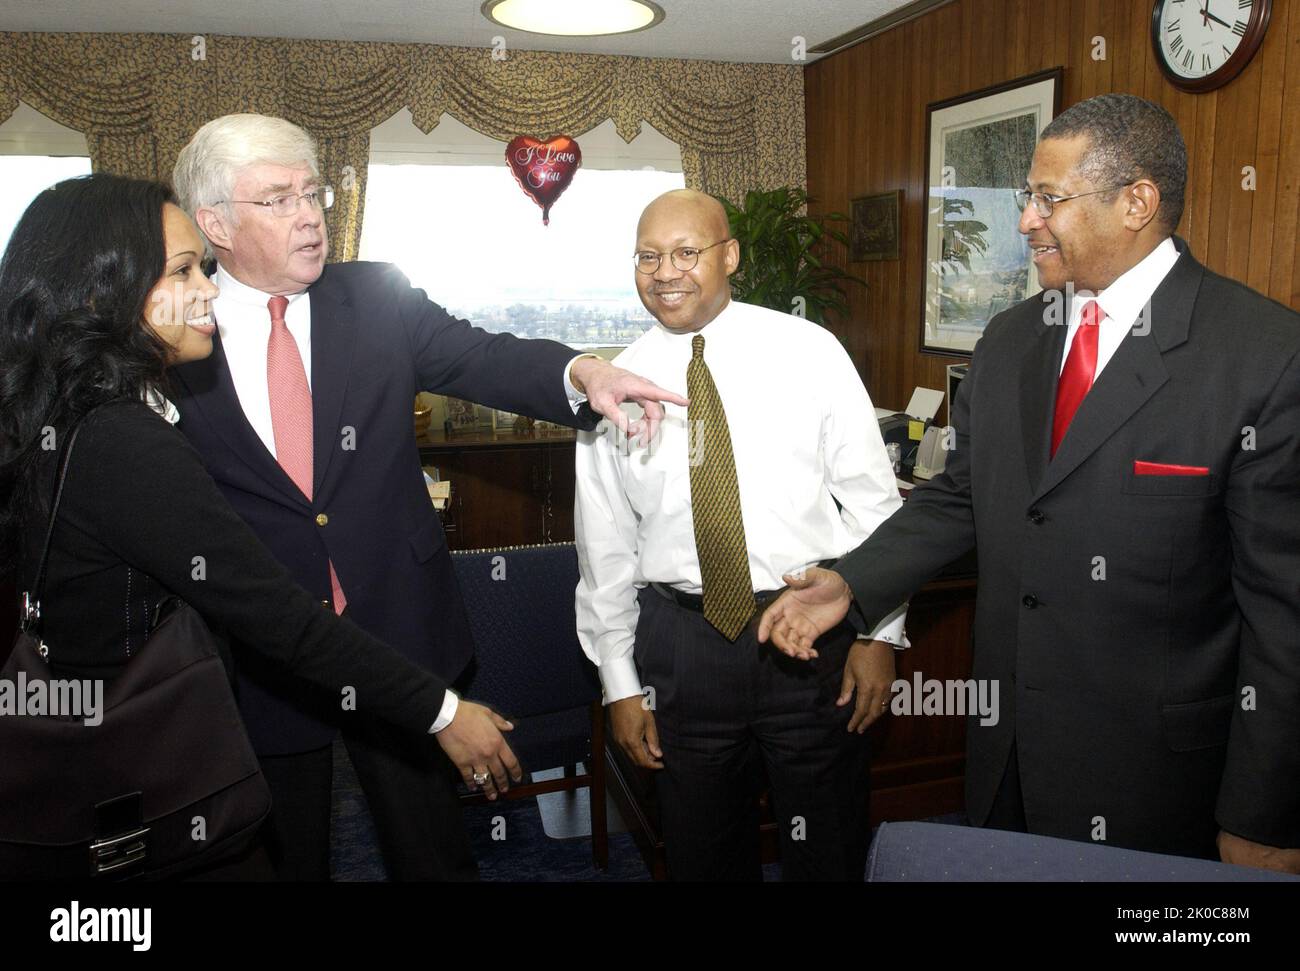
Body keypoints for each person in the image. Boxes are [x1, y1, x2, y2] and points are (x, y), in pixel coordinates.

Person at [759, 94, 1300, 872]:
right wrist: (851, 584)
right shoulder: (1013, 337)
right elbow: (960, 494)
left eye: (1049, 199)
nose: (1025, 222)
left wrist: (1265, 812)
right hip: (1005, 749)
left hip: (1160, 780)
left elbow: (1285, 619)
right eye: (1027, 197)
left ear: (1137, 202)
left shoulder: (1264, 357)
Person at [169, 114, 686, 881]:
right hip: (262, 654)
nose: (311, 213)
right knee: (281, 856)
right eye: (279, 200)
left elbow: (482, 355)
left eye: (313, 192)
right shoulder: (175, 329)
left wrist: (584, 373)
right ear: (215, 223)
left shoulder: (374, 295)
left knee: (432, 852)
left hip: (397, 634)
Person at [0, 173, 521, 880]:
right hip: (153, 775)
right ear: (104, 291)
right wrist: (442, 711)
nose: (210, 290)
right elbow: (279, 617)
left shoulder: (56, 415)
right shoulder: (124, 441)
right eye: (184, 271)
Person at [574, 189, 908, 881]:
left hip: (806, 632)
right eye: (648, 256)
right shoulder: (612, 388)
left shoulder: (810, 351)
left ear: (730, 255)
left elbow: (874, 508)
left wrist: (880, 635)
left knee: (829, 846)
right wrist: (620, 685)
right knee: (702, 852)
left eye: (686, 252)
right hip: (682, 649)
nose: (666, 271)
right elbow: (603, 553)